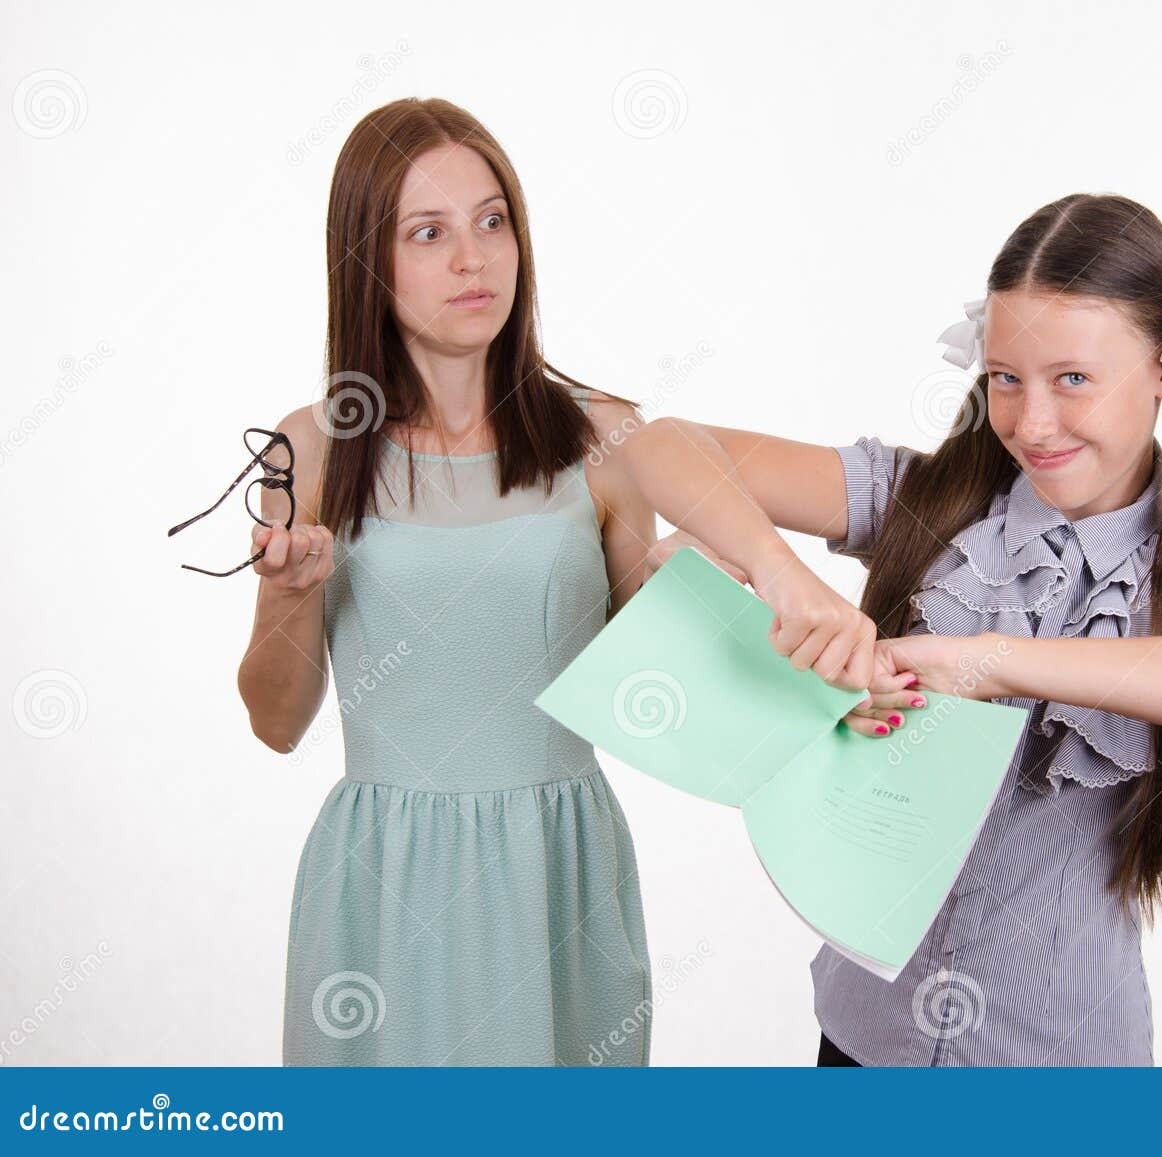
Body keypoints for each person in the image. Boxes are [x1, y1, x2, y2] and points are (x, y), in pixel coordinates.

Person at [236, 97, 878, 1065]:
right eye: (429, 232)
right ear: (368, 257)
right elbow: (275, 720)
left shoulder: (604, 435)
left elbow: (654, 695)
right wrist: (290, 591)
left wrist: (714, 609)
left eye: (493, 221)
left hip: (557, 869)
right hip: (383, 878)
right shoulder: (314, 444)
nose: (474, 259)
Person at [621, 193, 1162, 1065]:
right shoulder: (925, 501)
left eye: (1073, 379)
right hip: (864, 1040)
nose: (1029, 422)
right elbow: (654, 448)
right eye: (1006, 377)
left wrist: (992, 664)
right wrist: (783, 578)